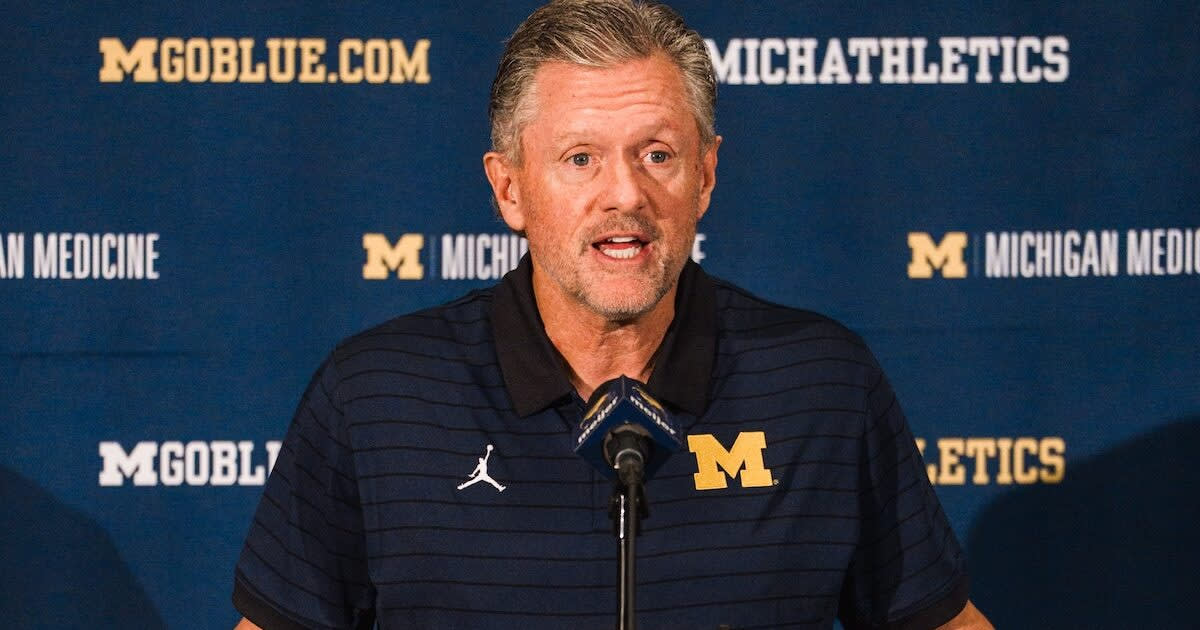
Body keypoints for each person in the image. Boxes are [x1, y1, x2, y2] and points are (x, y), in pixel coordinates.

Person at [233, 1, 994, 628]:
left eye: (657, 154)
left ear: (706, 175)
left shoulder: (823, 384)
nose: (625, 194)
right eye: (581, 159)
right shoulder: (376, 399)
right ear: (510, 190)